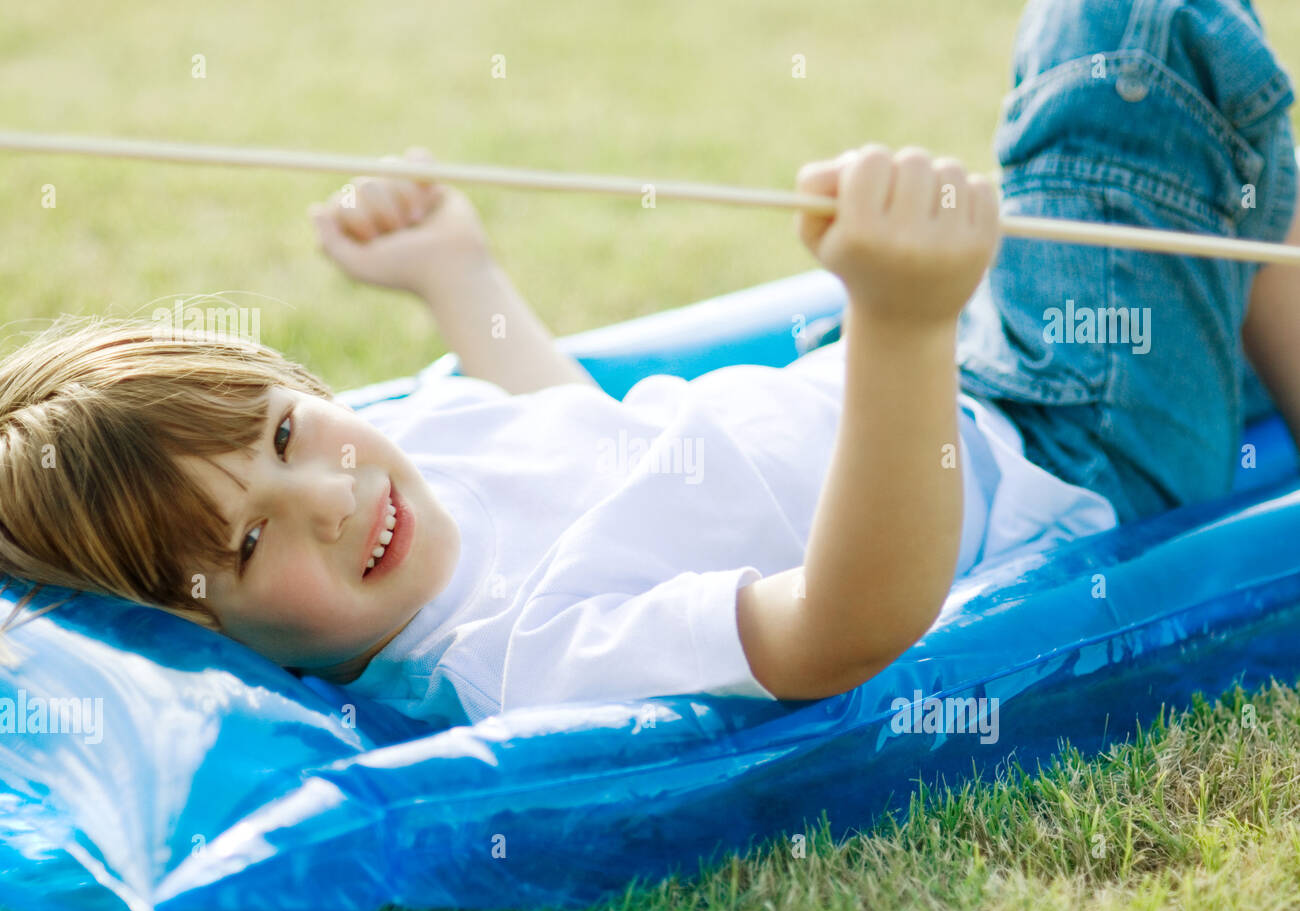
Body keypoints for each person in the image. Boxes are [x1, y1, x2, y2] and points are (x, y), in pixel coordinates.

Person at [0, 0, 1292, 727]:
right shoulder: (518, 655)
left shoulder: (419, 478)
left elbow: (566, 430)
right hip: (1066, 433)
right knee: (1130, 36)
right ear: (195, 621)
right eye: (246, 544)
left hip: (976, 362)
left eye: (286, 435)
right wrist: (899, 326)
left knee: (1186, 158)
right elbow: (838, 627)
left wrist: (459, 274)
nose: (331, 496)